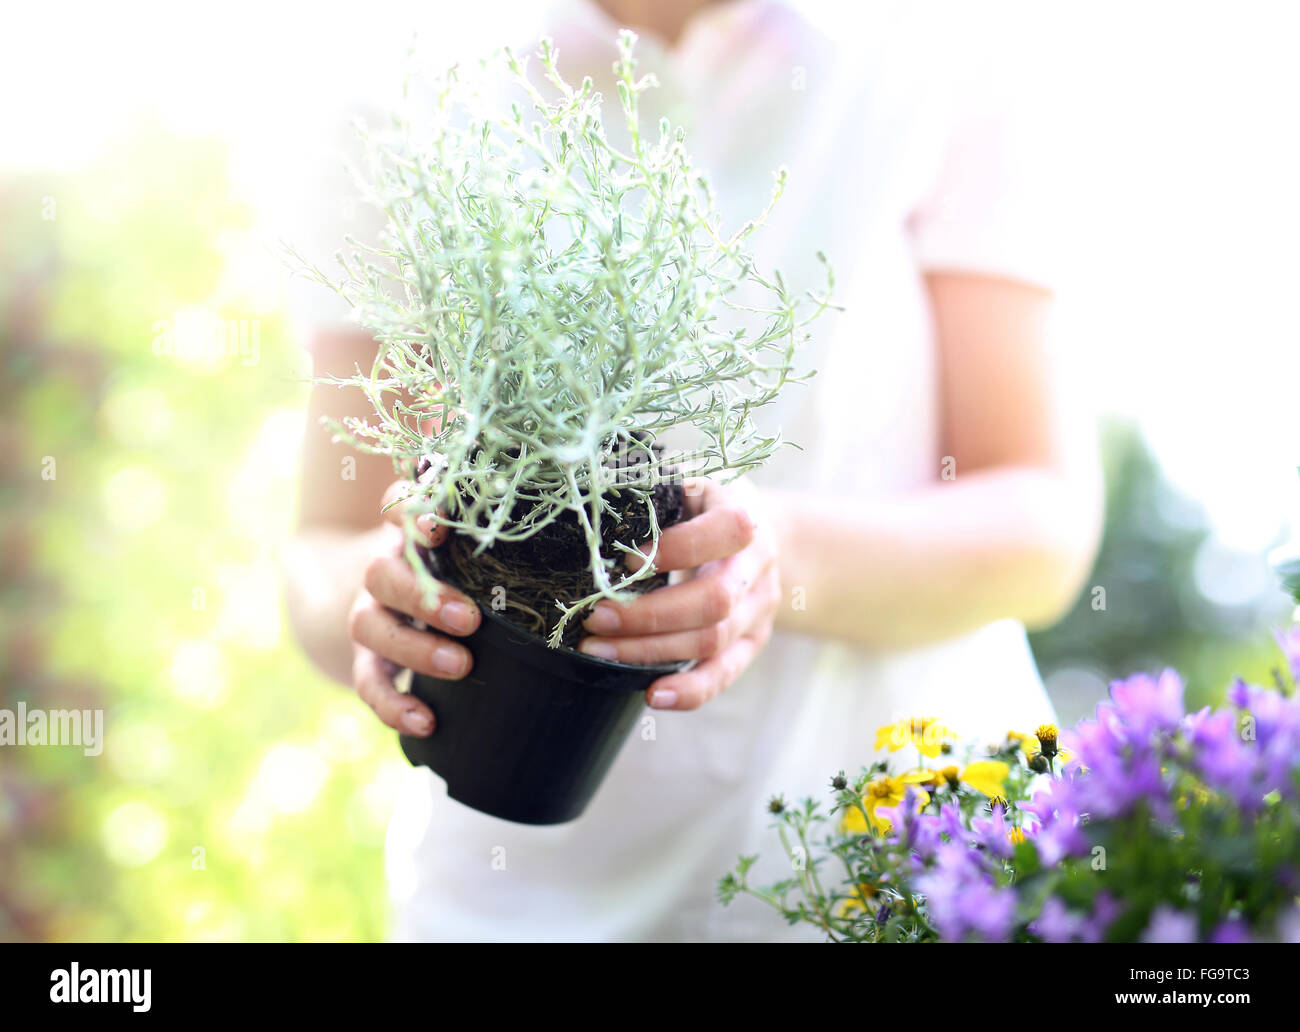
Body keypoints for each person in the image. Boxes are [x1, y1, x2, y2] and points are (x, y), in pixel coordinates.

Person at [284, 0, 1103, 941]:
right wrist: (383, 604)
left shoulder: (942, 47)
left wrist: (776, 561)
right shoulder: (404, 85)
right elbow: (325, 542)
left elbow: (1041, 524)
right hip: (517, 905)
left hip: (904, 886)